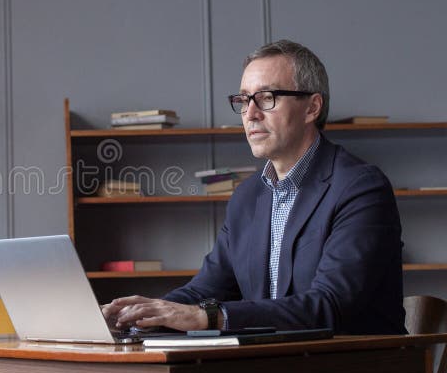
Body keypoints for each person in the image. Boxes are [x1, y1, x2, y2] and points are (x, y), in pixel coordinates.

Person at [102, 39, 405, 335]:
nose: (250, 114)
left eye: (266, 98)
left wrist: (208, 317)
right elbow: (208, 288)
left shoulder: (360, 188)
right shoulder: (247, 197)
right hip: (273, 367)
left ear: (312, 107)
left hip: (357, 372)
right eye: (244, 100)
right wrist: (145, 314)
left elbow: (329, 305)